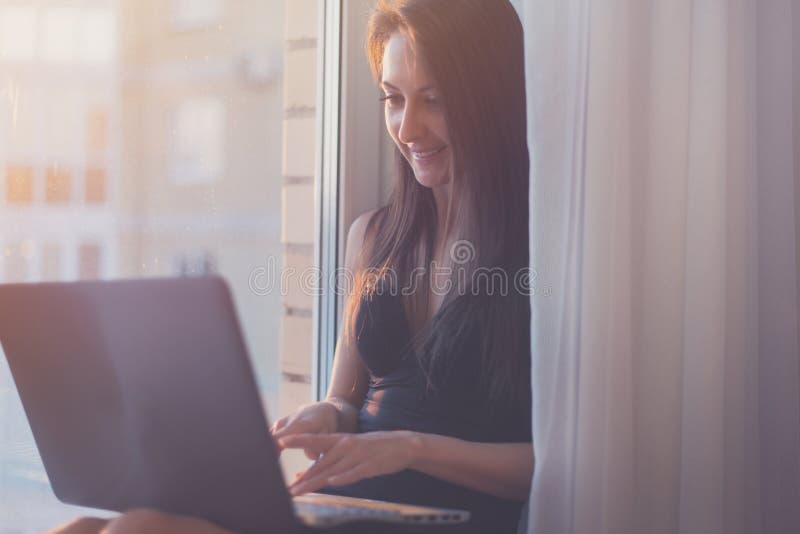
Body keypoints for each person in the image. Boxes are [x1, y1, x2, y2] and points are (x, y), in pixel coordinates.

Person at [47, 1, 532, 533]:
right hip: (346, 508)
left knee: (136, 530)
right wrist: (326, 417)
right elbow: (345, 400)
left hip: (444, 519)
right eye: (393, 99)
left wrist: (412, 449)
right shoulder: (372, 237)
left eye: (433, 100)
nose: (407, 126)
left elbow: (559, 467)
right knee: (81, 529)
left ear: (488, 95)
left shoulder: (537, 249)